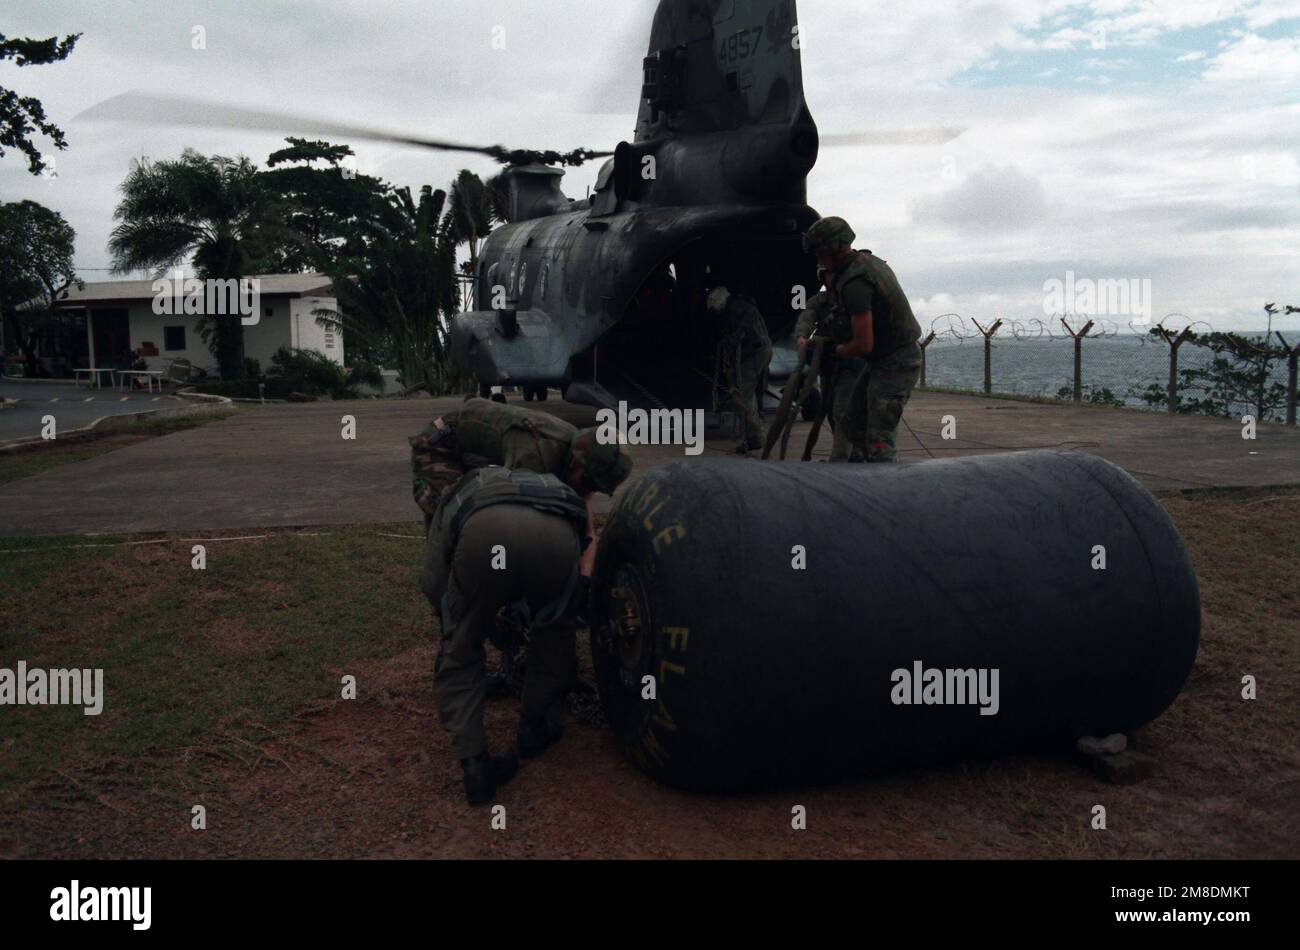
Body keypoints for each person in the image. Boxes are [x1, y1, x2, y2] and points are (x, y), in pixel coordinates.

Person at [410, 398, 633, 804]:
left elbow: (564, 504)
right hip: (440, 448)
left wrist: (458, 620)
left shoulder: (577, 453)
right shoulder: (534, 447)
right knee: (537, 619)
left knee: (465, 631)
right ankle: (530, 708)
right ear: (579, 463)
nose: (591, 493)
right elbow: (525, 505)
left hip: (489, 517)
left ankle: (476, 761)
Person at [801, 216, 922, 462]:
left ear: (831, 250)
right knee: (853, 425)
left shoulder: (854, 283)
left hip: (896, 362)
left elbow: (863, 344)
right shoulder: (869, 263)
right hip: (881, 361)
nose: (817, 259)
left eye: (819, 253)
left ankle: (885, 488)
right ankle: (862, 477)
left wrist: (836, 350)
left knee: (879, 440)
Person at [793, 280, 866, 462]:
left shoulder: (855, 297)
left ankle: (842, 458)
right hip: (829, 364)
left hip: (853, 363)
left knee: (843, 410)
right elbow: (807, 316)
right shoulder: (820, 300)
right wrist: (802, 337)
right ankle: (850, 451)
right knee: (831, 409)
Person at [708, 286, 773, 454]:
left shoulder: (736, 308)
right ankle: (752, 434)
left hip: (755, 353)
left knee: (743, 395)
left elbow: (742, 330)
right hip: (763, 349)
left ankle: (755, 436)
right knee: (751, 393)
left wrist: (732, 340)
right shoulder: (743, 305)